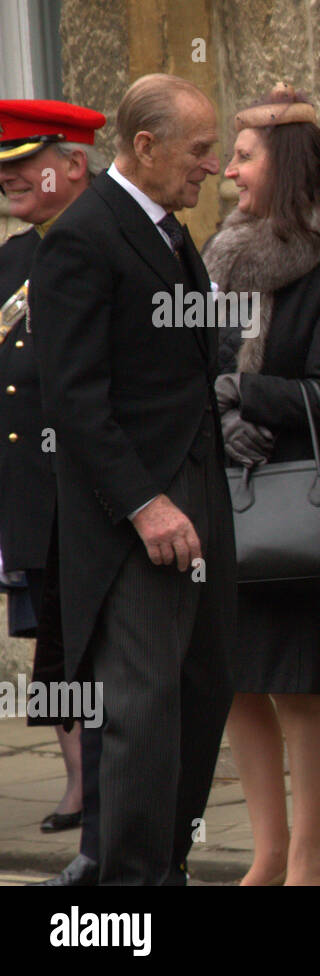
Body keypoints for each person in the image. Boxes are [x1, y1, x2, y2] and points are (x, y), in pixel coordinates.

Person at [30, 73, 235, 885]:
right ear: (143, 147)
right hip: (134, 533)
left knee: (202, 693)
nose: (211, 167)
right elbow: (75, 400)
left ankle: (165, 868)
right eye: (199, 150)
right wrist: (146, 504)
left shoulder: (169, 230)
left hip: (201, 510)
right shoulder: (83, 237)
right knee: (142, 718)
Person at [203, 85, 320, 886]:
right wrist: (214, 410)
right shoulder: (222, 254)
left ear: (288, 164)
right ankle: (266, 853)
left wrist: (239, 395)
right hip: (219, 494)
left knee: (297, 687)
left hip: (290, 498)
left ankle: (310, 855)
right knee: (237, 685)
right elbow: (191, 368)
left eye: (243, 156)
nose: (228, 171)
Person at [0, 99, 105, 886]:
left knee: (99, 656)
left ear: (72, 164)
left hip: (94, 492)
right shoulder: (12, 260)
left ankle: (111, 818)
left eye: (22, 161)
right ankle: (87, 797)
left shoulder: (108, 244)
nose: (7, 177)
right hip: (29, 490)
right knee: (55, 648)